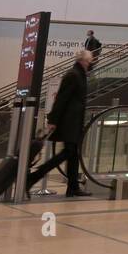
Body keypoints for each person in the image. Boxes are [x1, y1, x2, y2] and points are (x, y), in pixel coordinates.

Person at [25, 49, 93, 198]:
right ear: (82, 61)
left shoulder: (79, 75)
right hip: (69, 123)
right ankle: (33, 178)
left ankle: (73, 187)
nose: (90, 64)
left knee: (73, 155)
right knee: (67, 153)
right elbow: (61, 99)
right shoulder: (73, 75)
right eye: (88, 61)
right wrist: (53, 120)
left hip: (74, 122)